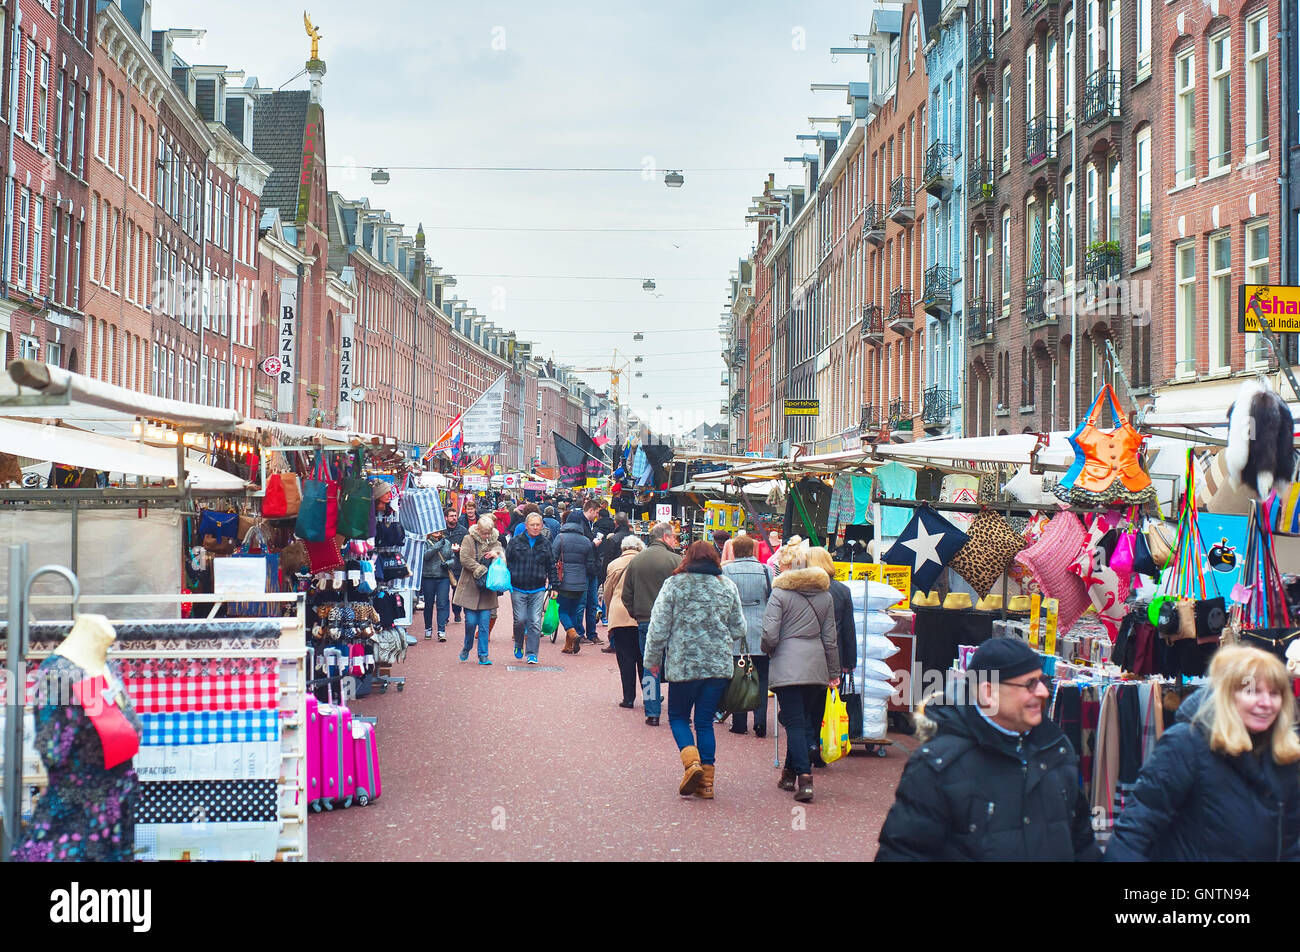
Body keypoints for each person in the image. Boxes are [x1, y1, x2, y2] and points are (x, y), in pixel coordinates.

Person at [875, 638, 1100, 861]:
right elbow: (903, 853)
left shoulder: (1056, 749)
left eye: (1042, 681)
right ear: (988, 692)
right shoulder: (937, 767)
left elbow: (1082, 844)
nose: (1043, 692)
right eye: (1030, 684)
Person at [1106, 645, 1300, 861]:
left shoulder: (1284, 755)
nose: (1265, 703)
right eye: (1252, 691)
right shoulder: (1185, 744)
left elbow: (1291, 842)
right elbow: (1134, 833)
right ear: (1227, 696)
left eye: (1274, 693)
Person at [643, 541, 747, 800]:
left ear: (687, 558)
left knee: (678, 717)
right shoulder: (727, 586)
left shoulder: (675, 585)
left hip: (684, 663)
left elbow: (658, 627)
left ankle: (691, 764)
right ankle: (707, 784)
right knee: (704, 721)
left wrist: (652, 660)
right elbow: (739, 629)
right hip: (717, 665)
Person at [760, 545, 838, 803]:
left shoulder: (780, 594)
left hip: (788, 663)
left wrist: (768, 650)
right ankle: (788, 774)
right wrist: (833, 671)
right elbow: (830, 639)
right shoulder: (825, 596)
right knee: (802, 721)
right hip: (816, 665)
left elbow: (770, 634)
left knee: (794, 722)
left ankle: (804, 778)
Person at [620, 522, 682, 726]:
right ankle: (677, 710)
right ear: (665, 537)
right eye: (673, 537)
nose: (675, 541)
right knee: (675, 666)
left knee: (650, 666)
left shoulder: (637, 561)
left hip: (645, 619)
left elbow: (626, 593)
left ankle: (652, 711)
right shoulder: (676, 560)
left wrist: (636, 613)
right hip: (672, 621)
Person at [805, 547, 858, 766]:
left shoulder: (803, 588)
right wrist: (849, 661)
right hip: (832, 654)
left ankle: (806, 745)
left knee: (803, 705)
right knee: (821, 705)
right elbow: (848, 629)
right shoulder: (842, 591)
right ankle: (818, 747)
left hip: (806, 654)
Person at [720, 534, 773, 737]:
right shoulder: (766, 570)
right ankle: (760, 722)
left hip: (735, 632)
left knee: (737, 677)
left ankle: (739, 722)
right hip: (760, 629)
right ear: (753, 550)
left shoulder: (726, 571)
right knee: (762, 677)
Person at [505, 512, 560, 665]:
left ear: (542, 526)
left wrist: (554, 586)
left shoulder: (546, 543)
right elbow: (507, 563)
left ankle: (532, 653)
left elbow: (551, 566)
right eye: (532, 525)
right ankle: (518, 644)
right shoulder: (515, 542)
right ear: (526, 526)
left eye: (538, 525)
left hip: (538, 588)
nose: (535, 528)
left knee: (535, 622)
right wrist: (506, 581)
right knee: (520, 620)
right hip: (518, 587)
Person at [451, 515, 505, 665]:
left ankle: (483, 655)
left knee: (484, 625)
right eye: (483, 533)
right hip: (470, 587)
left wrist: (497, 556)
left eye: (488, 533)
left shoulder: (496, 541)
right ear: (478, 530)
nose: (486, 536)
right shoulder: (469, 539)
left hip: (487, 590)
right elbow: (465, 559)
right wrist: (480, 569)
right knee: (470, 623)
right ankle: (467, 646)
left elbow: (503, 560)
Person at [602, 534, 646, 708]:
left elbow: (607, 592)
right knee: (645, 659)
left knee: (625, 659)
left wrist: (609, 610)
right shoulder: (646, 564)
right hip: (642, 615)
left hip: (620, 615)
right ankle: (650, 695)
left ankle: (628, 698)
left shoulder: (613, 565)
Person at [552, 511, 597, 654]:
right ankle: (569, 645)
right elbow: (590, 565)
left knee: (562, 610)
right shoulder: (586, 541)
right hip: (581, 582)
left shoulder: (560, 538)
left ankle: (572, 634)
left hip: (564, 581)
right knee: (574, 611)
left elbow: (552, 558)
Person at [420, 528, 455, 641]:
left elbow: (453, 559)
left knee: (442, 604)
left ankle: (441, 631)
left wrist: (448, 563)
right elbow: (425, 556)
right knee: (429, 604)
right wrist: (438, 545)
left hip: (443, 577)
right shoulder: (425, 542)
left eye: (439, 530)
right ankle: (428, 628)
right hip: (428, 576)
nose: (437, 532)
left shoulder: (447, 543)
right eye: (434, 530)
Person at [580, 499, 605, 644]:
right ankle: (581, 633)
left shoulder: (590, 524)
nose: (596, 516)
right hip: (584, 569)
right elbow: (582, 546)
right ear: (591, 510)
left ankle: (592, 633)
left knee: (593, 603)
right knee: (582, 603)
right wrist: (593, 544)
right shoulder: (581, 524)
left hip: (592, 569)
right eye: (596, 512)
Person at [446, 506, 469, 624]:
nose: (454, 518)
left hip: (458, 564)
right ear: (446, 518)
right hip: (444, 566)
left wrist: (460, 549)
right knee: (444, 593)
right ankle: (444, 616)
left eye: (455, 516)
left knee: (457, 590)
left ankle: (457, 612)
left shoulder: (463, 531)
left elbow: (467, 546)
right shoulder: (442, 531)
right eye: (451, 516)